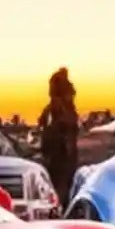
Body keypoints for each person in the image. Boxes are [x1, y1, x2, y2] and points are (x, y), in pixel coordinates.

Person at [38, 68, 80, 206]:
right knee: (61, 187)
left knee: (63, 186)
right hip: (60, 155)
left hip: (63, 154)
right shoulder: (57, 107)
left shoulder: (63, 108)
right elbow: (47, 127)